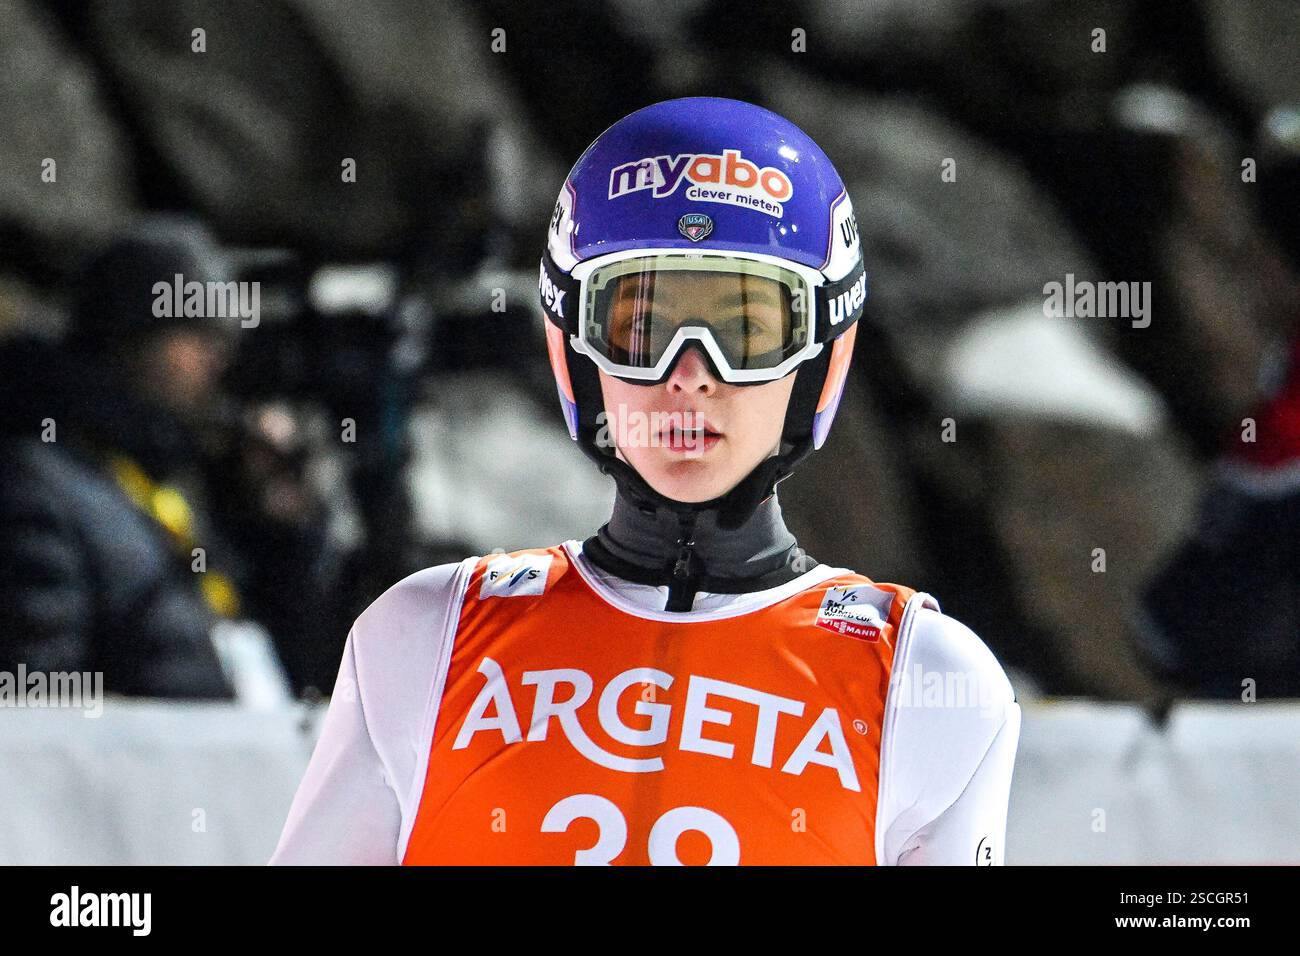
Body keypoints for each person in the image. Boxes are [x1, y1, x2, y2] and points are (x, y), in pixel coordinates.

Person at [270, 98, 1021, 865]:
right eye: (642, 327)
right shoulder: (422, 638)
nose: (689, 376)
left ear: (820, 353)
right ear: (576, 350)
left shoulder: (921, 682)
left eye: (746, 328)